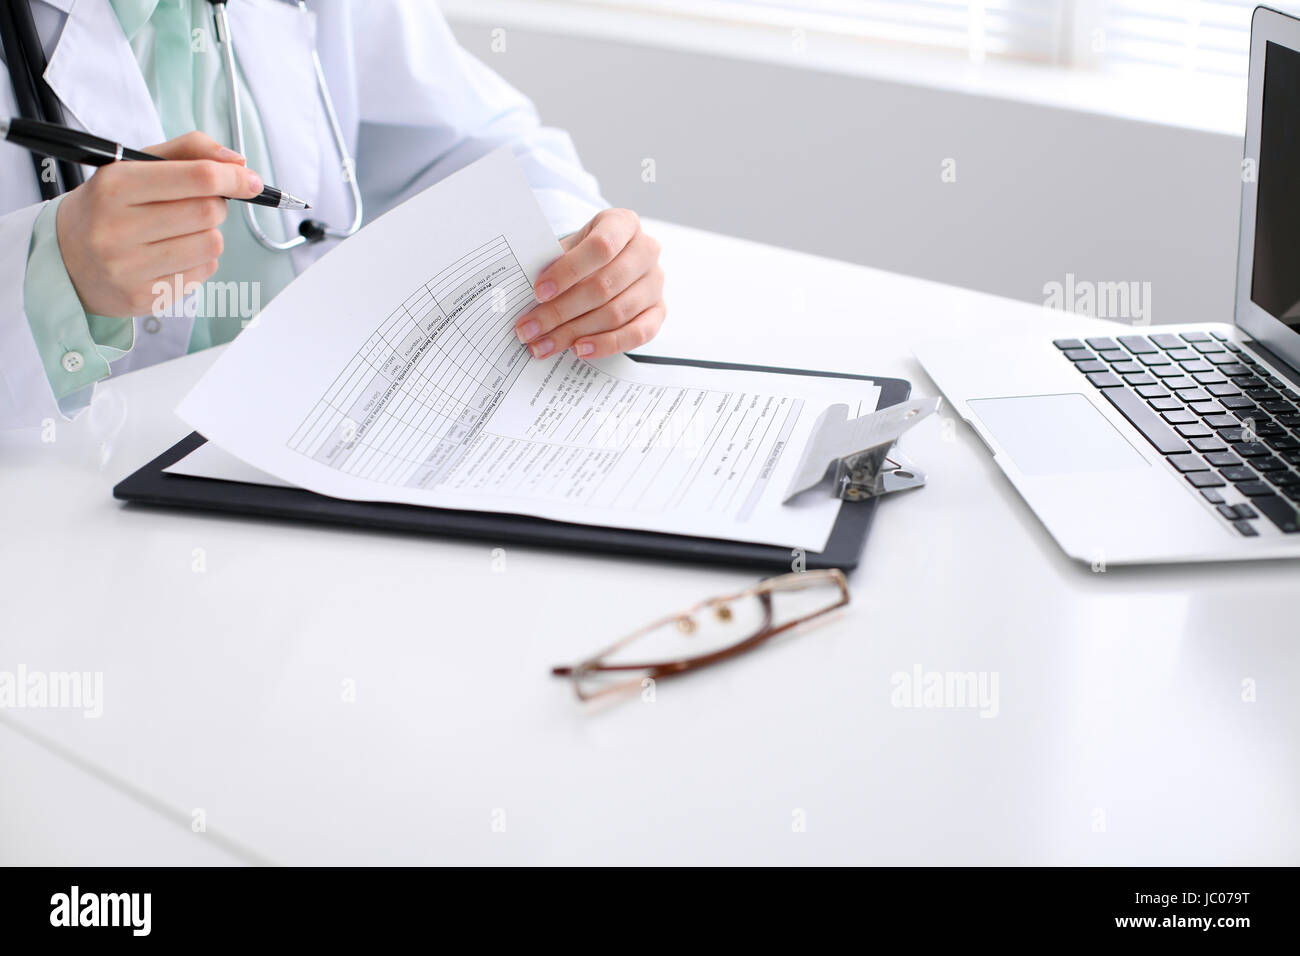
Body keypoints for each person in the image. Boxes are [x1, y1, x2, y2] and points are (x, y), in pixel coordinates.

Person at [0, 0, 666, 430]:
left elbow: (461, 139)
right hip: (50, 518)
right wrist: (52, 278)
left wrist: (571, 247)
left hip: (307, 446)